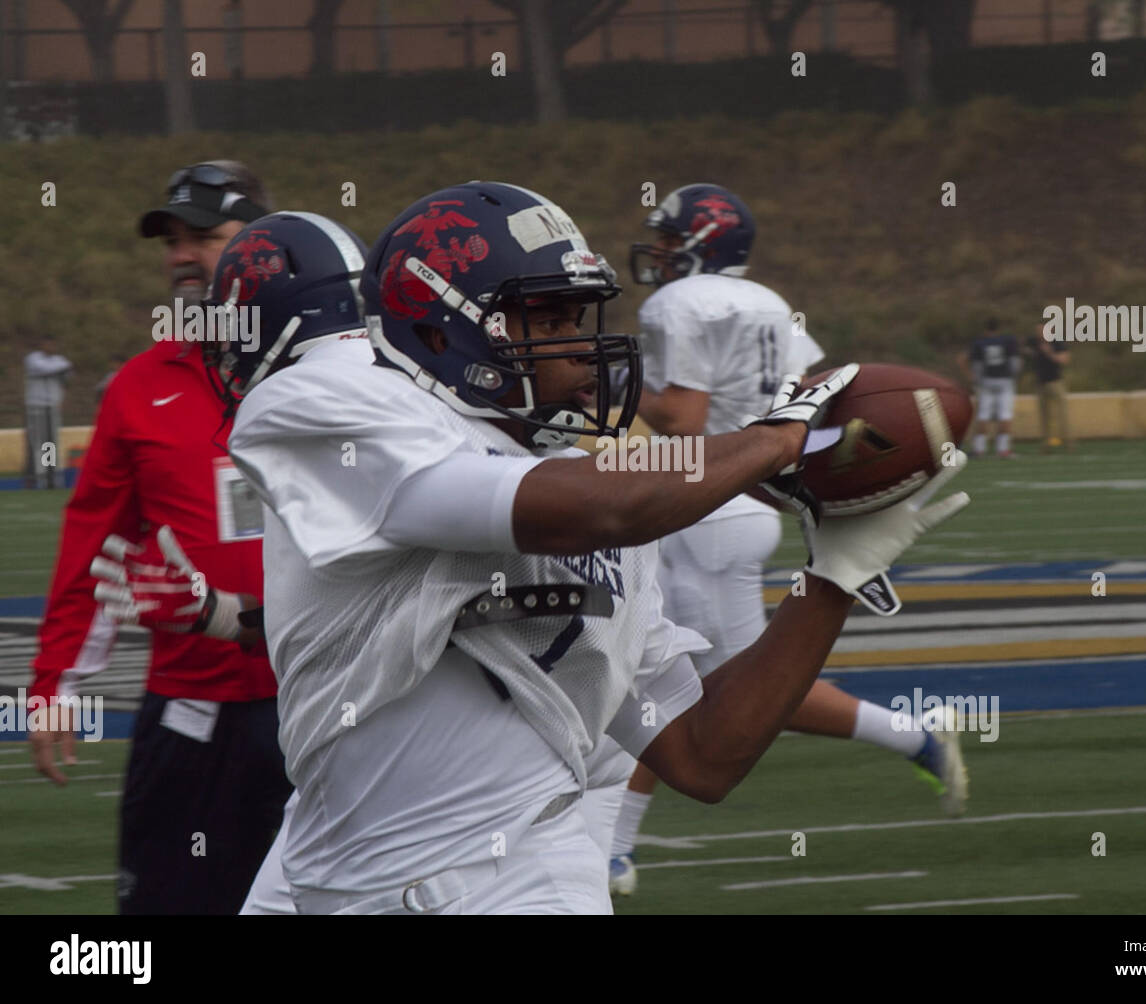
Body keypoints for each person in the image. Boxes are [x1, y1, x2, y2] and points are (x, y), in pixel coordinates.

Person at [222, 182, 971, 915]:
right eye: (545, 319)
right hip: (322, 873)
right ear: (437, 330)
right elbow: (595, 506)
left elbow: (703, 756)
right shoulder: (336, 400)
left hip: (519, 884)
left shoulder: (609, 509)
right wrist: (779, 440)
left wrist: (832, 580)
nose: (581, 349)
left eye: (579, 315)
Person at [600, 184, 970, 896]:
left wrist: (613, 385)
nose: (662, 251)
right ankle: (913, 735)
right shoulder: (770, 302)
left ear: (703, 242)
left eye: (673, 238)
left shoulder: (679, 303)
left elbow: (682, 420)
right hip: (745, 499)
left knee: (694, 686)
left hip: (705, 502)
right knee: (683, 679)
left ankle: (613, 848)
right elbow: (806, 397)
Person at [28, 160, 294, 915]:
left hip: (318, 705)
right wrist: (54, 686)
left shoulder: (326, 374)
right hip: (188, 712)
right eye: (172, 240)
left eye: (204, 237)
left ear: (261, 247)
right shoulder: (138, 387)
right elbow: (93, 549)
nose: (182, 255)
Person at [962, 317, 1021, 458]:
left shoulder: (979, 343)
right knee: (1005, 415)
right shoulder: (1008, 341)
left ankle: (979, 449)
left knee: (983, 415)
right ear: (998, 329)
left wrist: (977, 380)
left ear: (985, 329)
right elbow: (1015, 363)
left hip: (987, 381)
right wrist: (1013, 376)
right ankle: (1003, 449)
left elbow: (977, 366)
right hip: (1005, 381)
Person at [24, 337, 73, 489]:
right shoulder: (33, 359)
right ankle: (38, 477)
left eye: (53, 344)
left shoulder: (59, 360)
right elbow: (44, 369)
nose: (50, 347)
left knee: (51, 443)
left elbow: (67, 374)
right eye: (47, 344)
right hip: (36, 406)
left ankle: (51, 477)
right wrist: (63, 368)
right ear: (41, 345)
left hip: (52, 406)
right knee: (38, 442)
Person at [1026, 322, 1071, 452]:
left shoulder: (1057, 342)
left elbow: (1065, 360)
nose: (1040, 333)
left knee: (1063, 413)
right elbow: (1024, 349)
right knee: (1044, 416)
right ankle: (1046, 444)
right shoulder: (1033, 342)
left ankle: (1068, 442)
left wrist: (1050, 353)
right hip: (1040, 383)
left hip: (1055, 382)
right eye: (1038, 330)